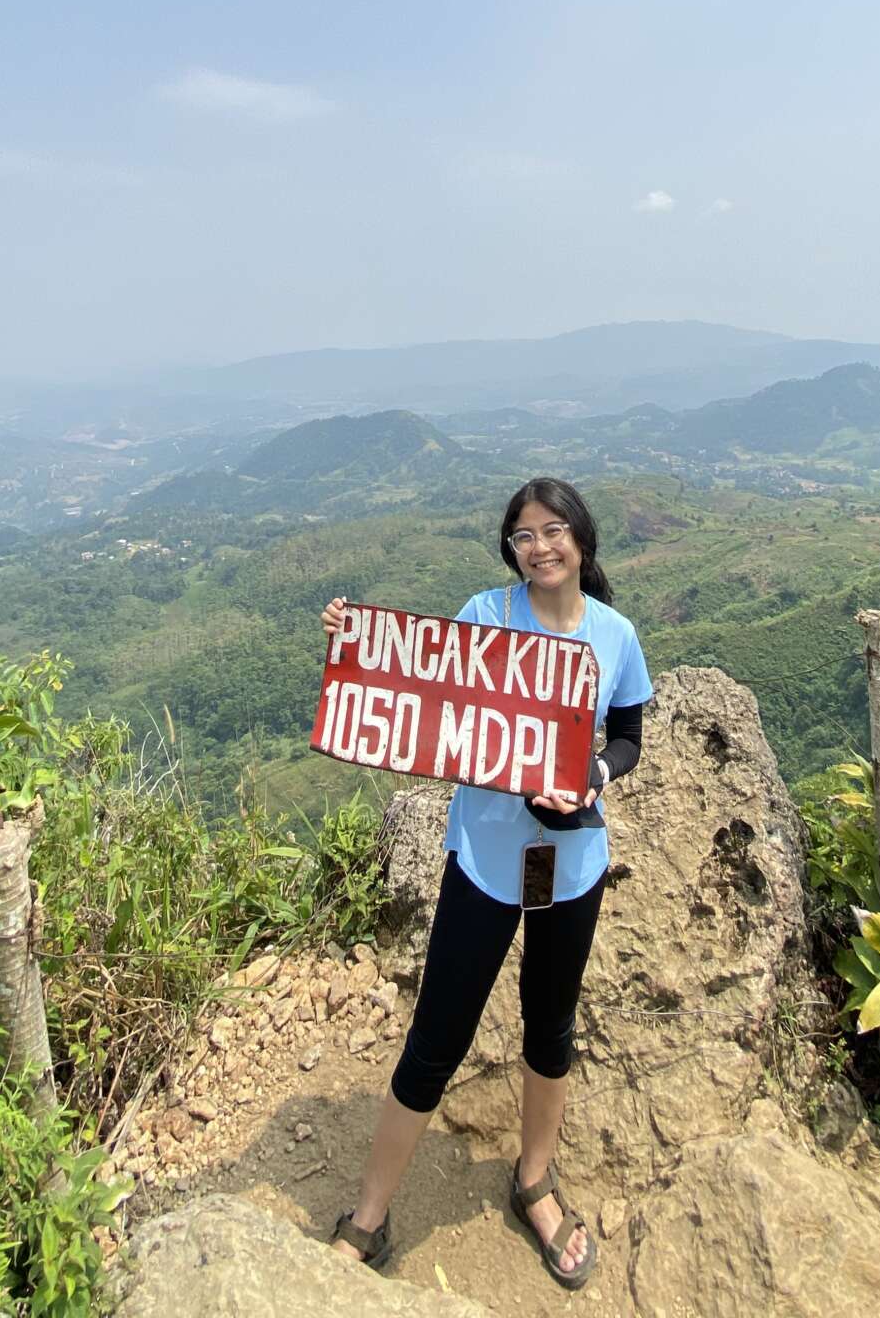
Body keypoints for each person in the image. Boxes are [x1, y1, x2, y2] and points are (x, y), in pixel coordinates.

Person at [320, 477, 653, 1292]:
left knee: (551, 1027)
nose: (540, 547)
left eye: (553, 530)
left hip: (571, 867)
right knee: (437, 1038)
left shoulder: (615, 635)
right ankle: (369, 1216)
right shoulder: (485, 616)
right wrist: (352, 641)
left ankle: (534, 1183)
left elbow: (630, 736)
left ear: (582, 537)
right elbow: (420, 692)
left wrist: (595, 776)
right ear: (511, 550)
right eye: (523, 536)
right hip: (484, 862)